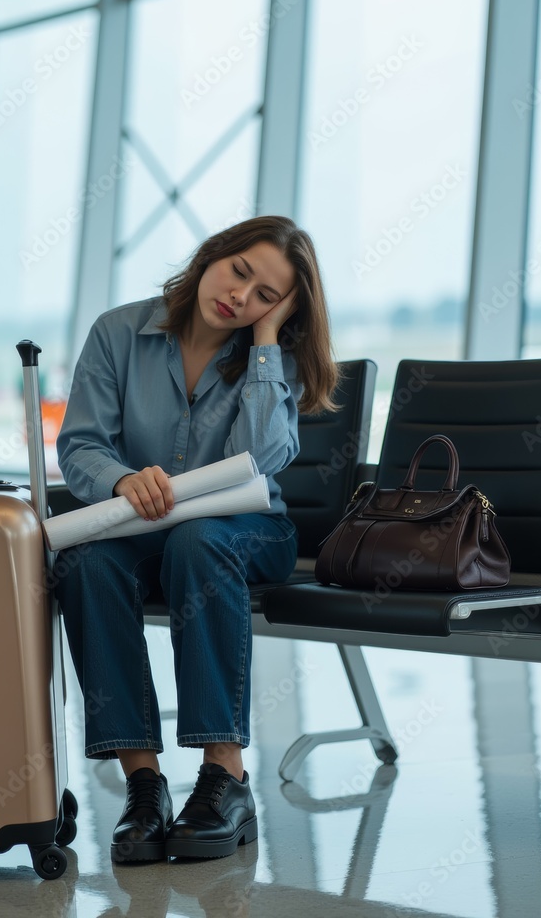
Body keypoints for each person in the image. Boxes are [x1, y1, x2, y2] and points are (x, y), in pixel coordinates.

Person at [54, 215, 338, 863]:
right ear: (214, 255)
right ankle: (143, 785)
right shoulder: (118, 332)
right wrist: (125, 480)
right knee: (86, 562)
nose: (241, 296)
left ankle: (225, 778)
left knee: (199, 540)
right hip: (144, 528)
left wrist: (265, 341)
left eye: (266, 295)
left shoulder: (274, 359)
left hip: (247, 532)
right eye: (240, 272)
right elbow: (81, 446)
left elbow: (261, 457)